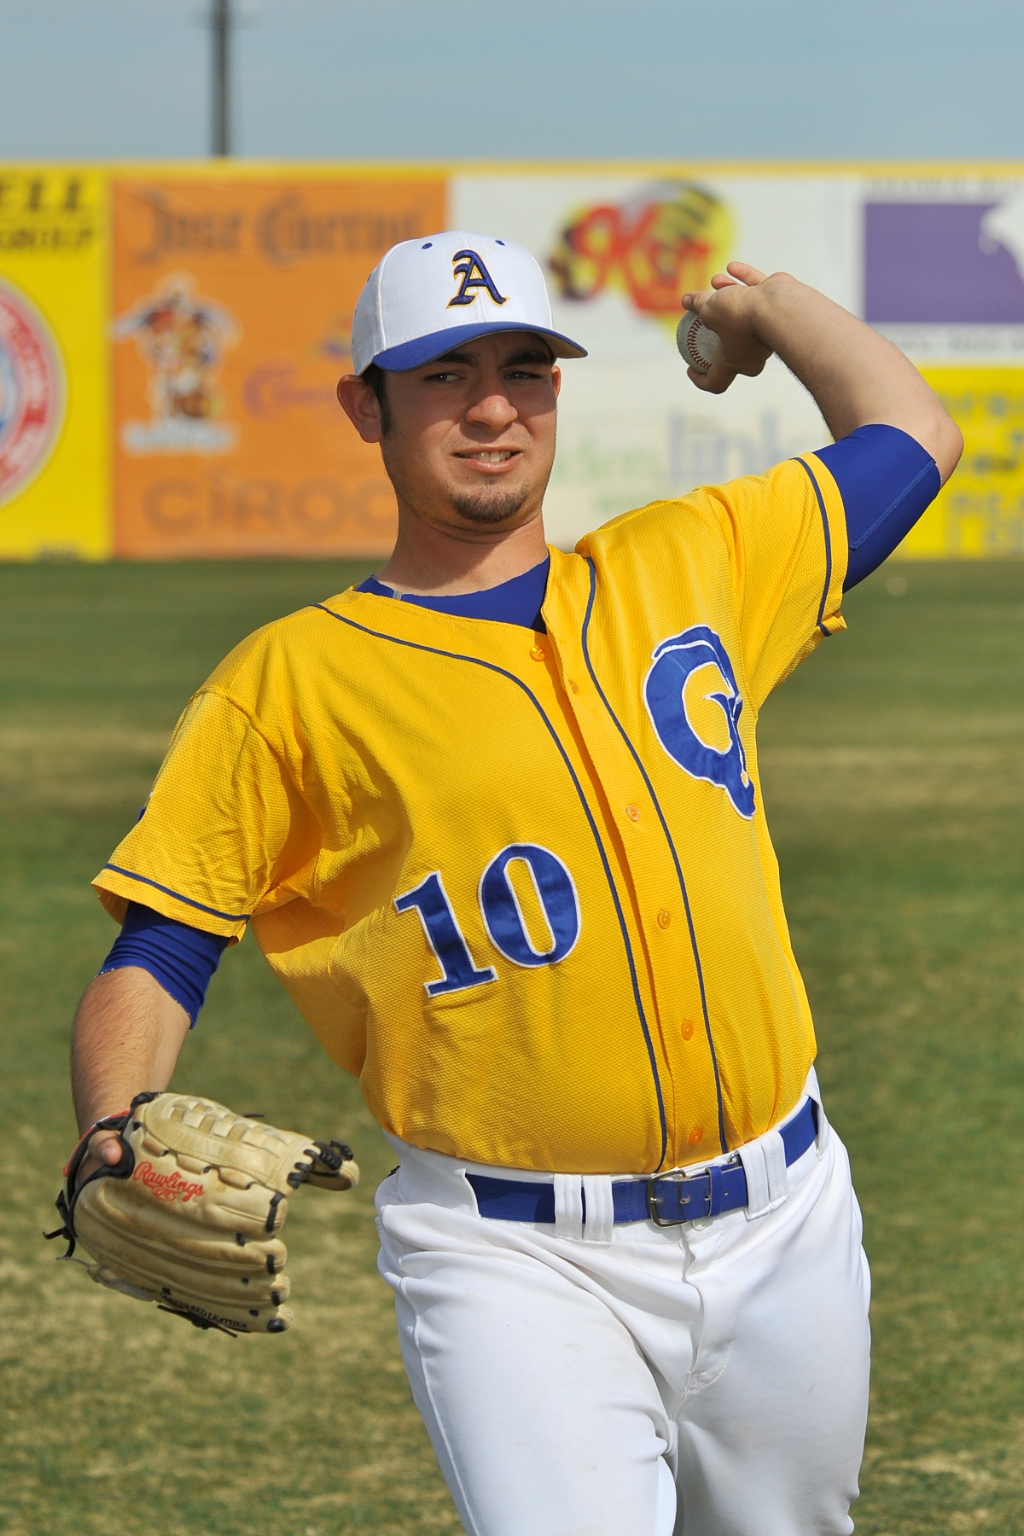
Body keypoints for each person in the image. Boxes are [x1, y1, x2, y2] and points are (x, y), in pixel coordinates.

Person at [69, 231, 962, 1536]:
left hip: (789, 1221)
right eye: (444, 375)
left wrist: (766, 308)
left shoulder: (691, 563)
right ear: (365, 407)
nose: (492, 408)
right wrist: (111, 1122)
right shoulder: (288, 686)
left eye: (523, 369)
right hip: (512, 1256)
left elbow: (916, 432)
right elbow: (161, 951)